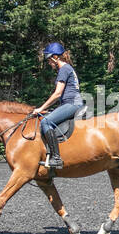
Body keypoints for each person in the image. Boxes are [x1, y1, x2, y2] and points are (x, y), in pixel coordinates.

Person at [32, 42, 84, 170]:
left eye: (49, 60)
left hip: (72, 104)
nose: (49, 63)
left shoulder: (64, 69)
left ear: (55, 57)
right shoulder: (67, 68)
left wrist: (41, 108)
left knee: (45, 122)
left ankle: (56, 158)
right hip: (70, 103)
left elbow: (57, 94)